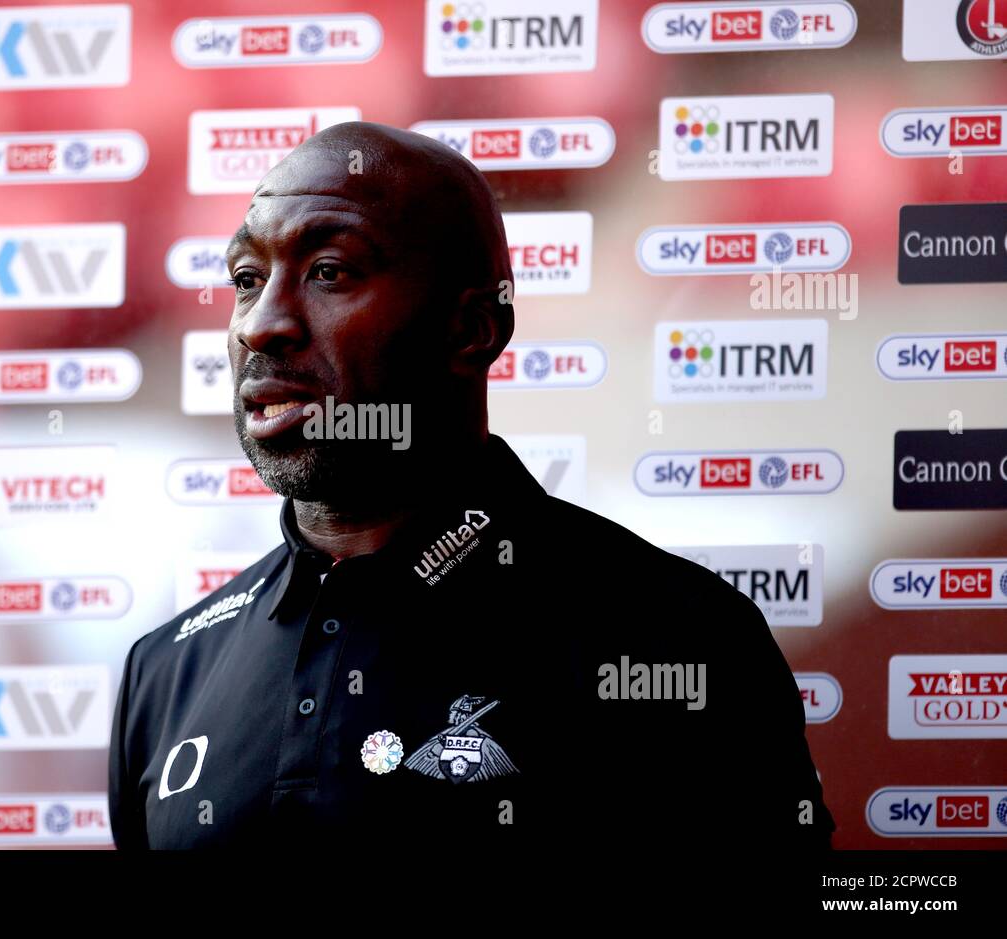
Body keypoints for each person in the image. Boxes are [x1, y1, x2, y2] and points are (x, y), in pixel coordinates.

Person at [108, 120, 834, 850]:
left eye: (329, 271)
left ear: (471, 329)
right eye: (246, 279)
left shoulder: (673, 637)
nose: (262, 324)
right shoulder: (166, 672)